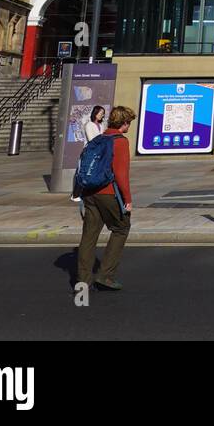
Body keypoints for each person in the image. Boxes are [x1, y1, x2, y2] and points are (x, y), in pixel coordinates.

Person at [76, 105, 135, 291]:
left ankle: (83, 281)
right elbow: (120, 174)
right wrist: (127, 199)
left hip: (89, 193)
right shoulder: (120, 141)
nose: (129, 126)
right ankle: (105, 275)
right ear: (124, 123)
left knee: (89, 236)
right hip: (107, 192)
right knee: (121, 227)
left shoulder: (100, 138)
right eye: (129, 123)